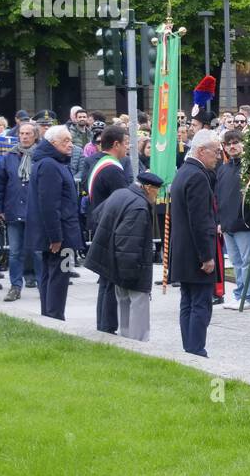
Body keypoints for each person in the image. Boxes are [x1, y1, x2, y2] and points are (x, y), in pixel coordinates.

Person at [86, 171, 162, 341]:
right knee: (138, 308)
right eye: (157, 191)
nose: (157, 196)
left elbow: (97, 215)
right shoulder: (139, 207)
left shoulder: (120, 194)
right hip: (129, 267)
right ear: (148, 188)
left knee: (124, 308)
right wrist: (129, 275)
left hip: (114, 263)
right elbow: (129, 242)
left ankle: (126, 344)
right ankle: (139, 347)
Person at [168, 130, 223, 357]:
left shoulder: (184, 172)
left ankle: (189, 347)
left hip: (183, 250)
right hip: (196, 253)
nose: (218, 156)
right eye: (216, 152)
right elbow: (200, 221)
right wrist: (207, 256)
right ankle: (196, 349)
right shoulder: (198, 177)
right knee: (200, 303)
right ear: (201, 151)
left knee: (188, 302)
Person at [27, 125, 84, 320]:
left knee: (51, 275)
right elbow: (49, 204)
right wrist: (56, 236)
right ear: (52, 143)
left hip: (62, 231)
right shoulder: (50, 165)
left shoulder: (54, 163)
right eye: (65, 141)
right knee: (59, 276)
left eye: (70, 140)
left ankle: (50, 315)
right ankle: (54, 317)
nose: (70, 144)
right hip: (61, 235)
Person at [84, 125, 130, 333]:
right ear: (116, 144)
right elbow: (122, 201)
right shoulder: (112, 168)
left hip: (102, 225)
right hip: (110, 228)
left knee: (106, 280)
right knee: (110, 280)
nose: (128, 147)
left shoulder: (100, 163)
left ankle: (104, 324)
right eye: (126, 143)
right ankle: (107, 325)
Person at [0, 122, 42, 301]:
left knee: (37, 251)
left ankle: (43, 286)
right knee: (15, 252)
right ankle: (15, 286)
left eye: (28, 133)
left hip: (36, 211)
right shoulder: (9, 156)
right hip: (13, 210)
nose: (24, 136)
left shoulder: (42, 156)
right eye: (22, 133)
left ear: (35, 136)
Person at [216, 129, 250, 310]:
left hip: (245, 222)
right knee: (236, 263)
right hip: (227, 224)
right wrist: (219, 222)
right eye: (228, 144)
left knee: (248, 261)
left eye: (236, 142)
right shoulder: (223, 169)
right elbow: (218, 196)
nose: (232, 146)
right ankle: (239, 293)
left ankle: (249, 296)